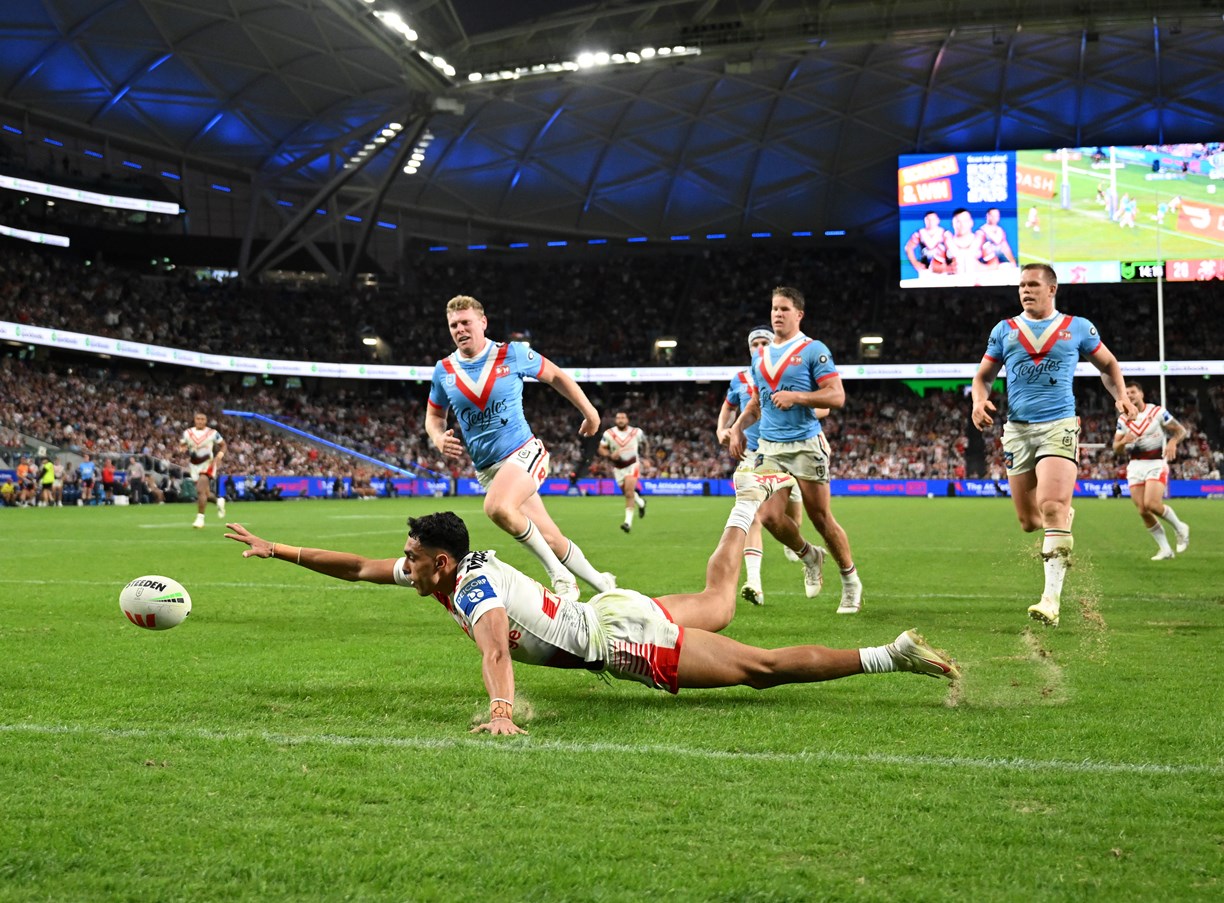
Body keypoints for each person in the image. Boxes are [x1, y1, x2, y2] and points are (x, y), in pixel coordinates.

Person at [224, 469, 959, 735]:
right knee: (718, 600)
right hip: (611, 608)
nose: (402, 568)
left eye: (412, 561)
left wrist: (503, 713)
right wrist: (279, 549)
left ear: (440, 563)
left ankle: (887, 654)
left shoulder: (471, 588)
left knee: (760, 668)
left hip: (621, 641)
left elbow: (494, 651)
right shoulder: (451, 570)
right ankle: (745, 508)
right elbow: (355, 566)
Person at [971, 263, 1137, 627]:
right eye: (1021, 285)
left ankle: (1050, 601)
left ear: (1052, 289)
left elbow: (1108, 365)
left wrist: (1120, 395)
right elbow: (982, 377)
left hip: (1059, 425)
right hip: (1017, 430)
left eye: (1033, 284)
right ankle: (1061, 516)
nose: (1025, 290)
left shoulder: (1077, 328)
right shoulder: (1005, 330)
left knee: (1050, 506)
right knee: (1030, 521)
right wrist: (978, 401)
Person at [425, 295, 614, 603]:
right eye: (453, 325)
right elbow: (433, 416)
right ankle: (605, 584)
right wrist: (436, 437)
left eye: (466, 323)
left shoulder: (511, 354)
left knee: (496, 507)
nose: (460, 329)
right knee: (551, 538)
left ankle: (561, 577)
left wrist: (590, 412)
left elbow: (556, 375)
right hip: (488, 470)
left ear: (482, 323)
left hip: (524, 452)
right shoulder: (443, 370)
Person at [728, 287, 863, 614]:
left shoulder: (814, 350)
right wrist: (736, 427)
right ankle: (810, 556)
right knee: (769, 517)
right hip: (770, 449)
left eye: (784, 309)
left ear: (798, 314)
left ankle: (850, 581)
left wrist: (798, 397)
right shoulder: (759, 358)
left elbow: (836, 396)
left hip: (805, 444)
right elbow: (757, 403)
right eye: (774, 308)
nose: (777, 314)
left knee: (820, 518)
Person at [717, 325, 813, 606]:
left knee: (791, 519)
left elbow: (818, 406)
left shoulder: (788, 375)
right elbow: (728, 407)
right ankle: (754, 584)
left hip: (784, 451)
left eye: (764, 341)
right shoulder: (740, 378)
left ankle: (793, 543)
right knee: (755, 516)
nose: (759, 345)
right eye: (754, 342)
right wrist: (722, 430)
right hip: (752, 454)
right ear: (749, 347)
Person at [1112, 381, 1190, 560]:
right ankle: (1165, 549)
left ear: (1141, 394)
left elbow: (1181, 431)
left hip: (1155, 463)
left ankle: (1180, 527)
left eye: (1133, 392)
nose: (1130, 395)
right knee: (1142, 510)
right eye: (1127, 393)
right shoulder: (1123, 419)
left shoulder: (1157, 412)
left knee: (1152, 504)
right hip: (1135, 466)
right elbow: (1115, 447)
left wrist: (1172, 442)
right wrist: (1123, 441)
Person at [598, 410, 648, 532]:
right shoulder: (609, 433)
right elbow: (601, 449)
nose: (621, 420)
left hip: (633, 465)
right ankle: (641, 503)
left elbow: (645, 443)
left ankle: (627, 523)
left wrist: (646, 457)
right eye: (618, 418)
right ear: (616, 420)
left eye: (623, 418)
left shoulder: (636, 432)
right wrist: (610, 455)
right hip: (618, 468)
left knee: (629, 492)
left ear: (627, 420)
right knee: (627, 493)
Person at [180, 411, 227, 528]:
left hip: (208, 464)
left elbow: (223, 445)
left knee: (200, 491)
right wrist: (182, 449)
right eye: (198, 419)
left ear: (206, 421)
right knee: (205, 493)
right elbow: (182, 445)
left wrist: (219, 456)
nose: (200, 421)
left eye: (202, 419)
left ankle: (200, 518)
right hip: (194, 465)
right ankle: (218, 501)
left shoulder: (212, 433)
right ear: (194, 420)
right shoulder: (188, 433)